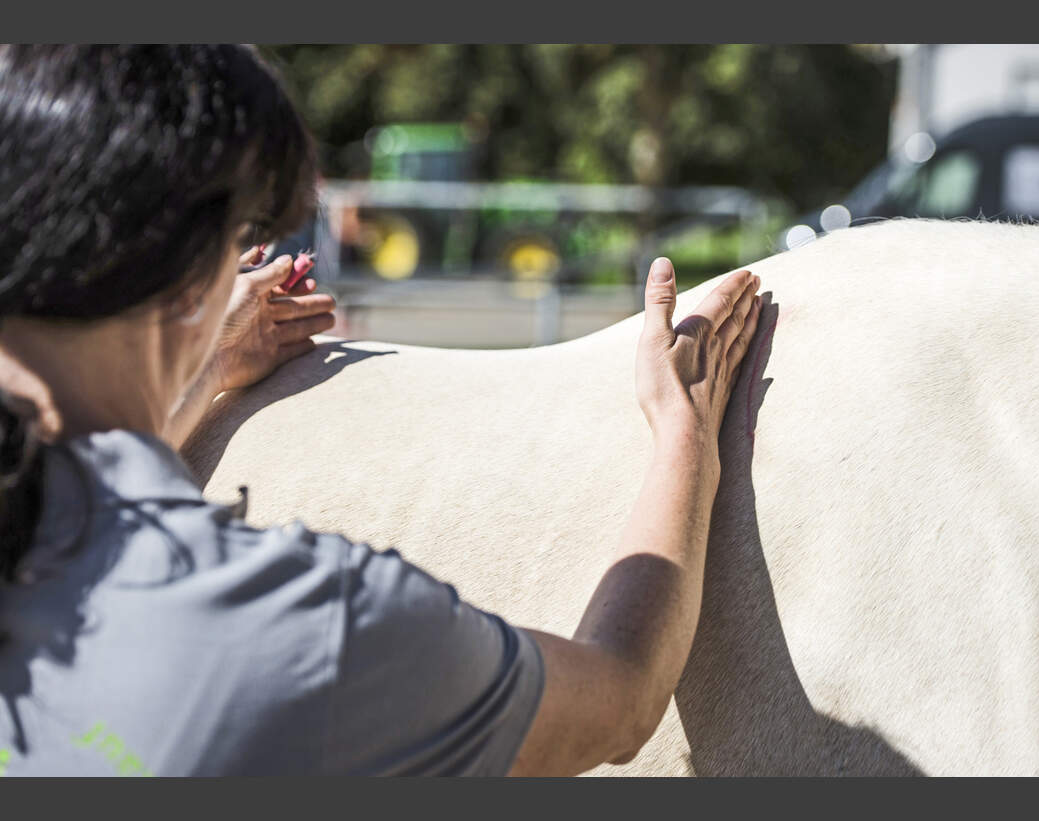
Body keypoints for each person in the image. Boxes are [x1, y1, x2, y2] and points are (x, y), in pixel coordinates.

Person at [0, 45, 761, 776]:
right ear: (194, 276)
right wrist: (682, 431)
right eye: (243, 235)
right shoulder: (302, 628)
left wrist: (196, 370)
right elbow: (620, 698)